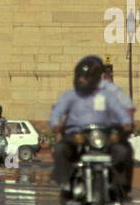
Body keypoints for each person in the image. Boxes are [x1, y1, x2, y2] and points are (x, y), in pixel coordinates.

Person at [49, 55, 134, 197]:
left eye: (87, 76)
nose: (83, 79)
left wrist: (126, 123)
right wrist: (55, 124)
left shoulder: (106, 96)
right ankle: (66, 183)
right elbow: (57, 113)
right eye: (82, 76)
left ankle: (120, 186)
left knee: (123, 150)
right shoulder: (70, 96)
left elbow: (120, 112)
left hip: (102, 134)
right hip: (77, 135)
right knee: (60, 149)